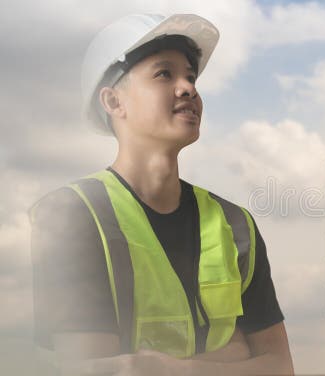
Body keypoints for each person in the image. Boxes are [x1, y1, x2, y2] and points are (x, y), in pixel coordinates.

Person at [29, 14, 294, 375]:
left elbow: (280, 368)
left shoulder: (236, 226)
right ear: (113, 102)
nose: (188, 88)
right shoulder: (72, 216)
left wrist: (164, 367)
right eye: (163, 74)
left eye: (190, 75)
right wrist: (235, 356)